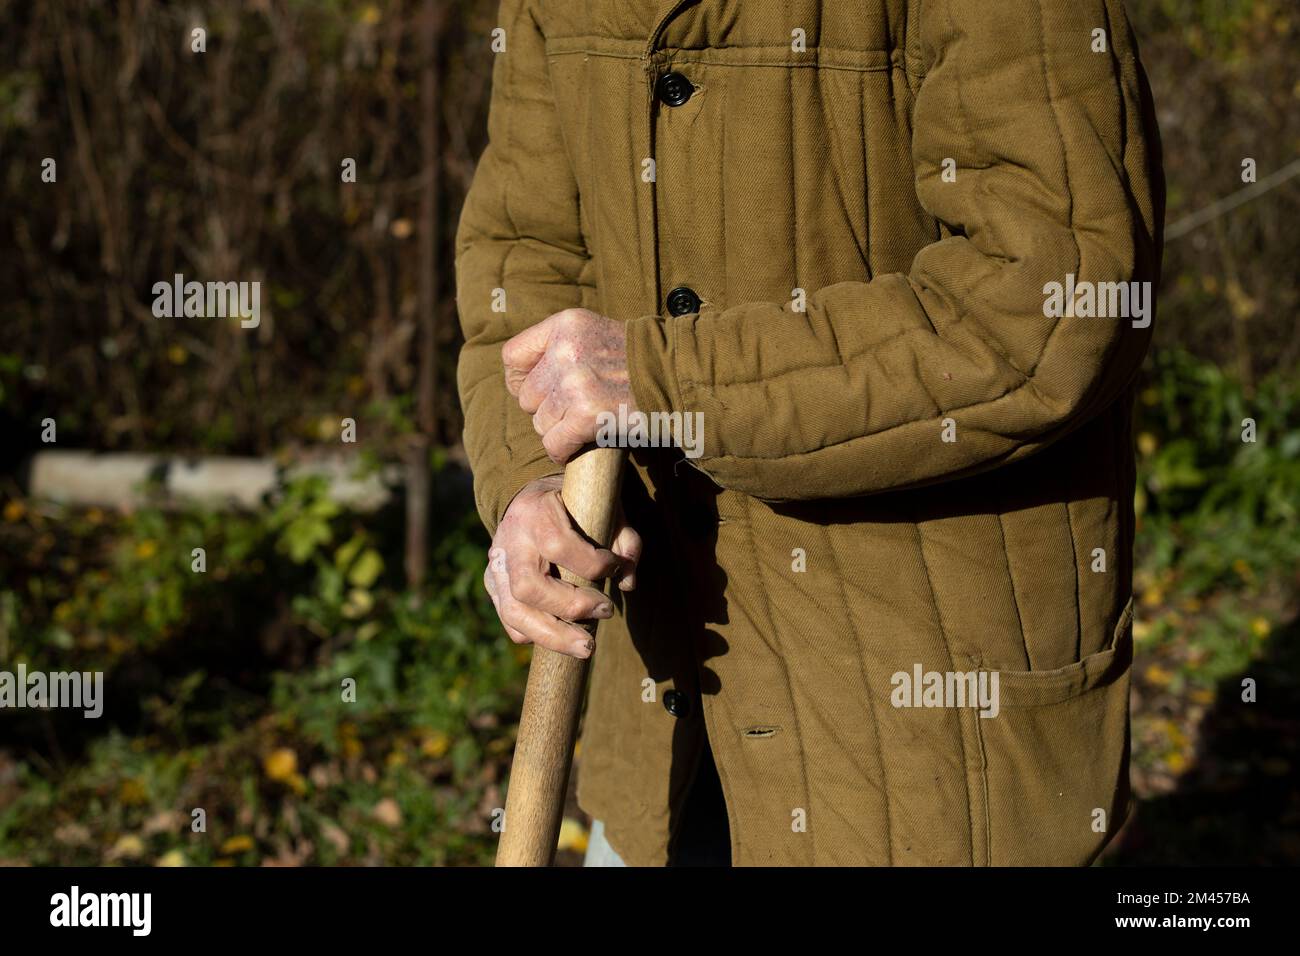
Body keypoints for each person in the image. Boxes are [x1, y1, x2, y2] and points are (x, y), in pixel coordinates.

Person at [456, 0, 1164, 866]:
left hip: (917, 752)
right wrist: (530, 484)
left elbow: (1052, 295)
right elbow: (524, 252)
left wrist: (671, 380)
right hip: (657, 730)